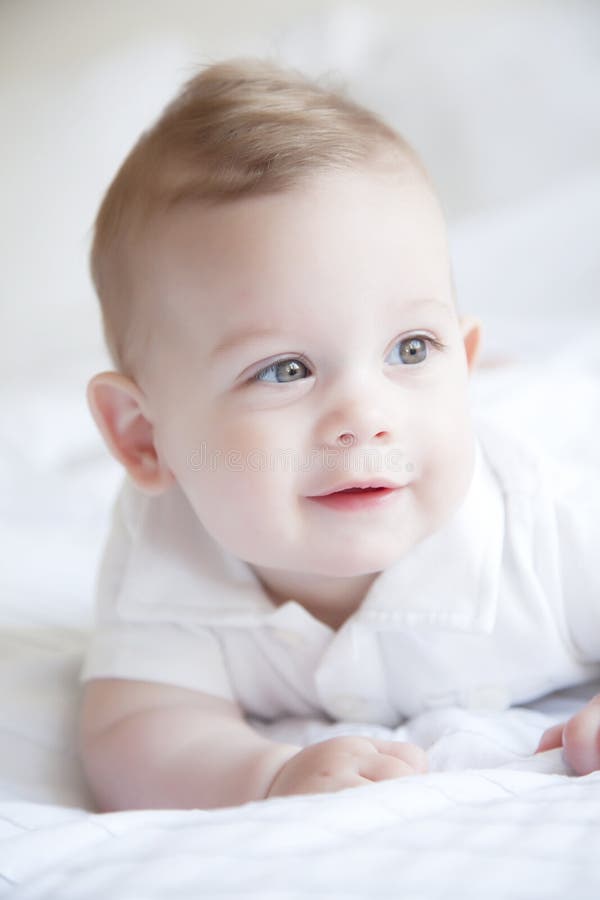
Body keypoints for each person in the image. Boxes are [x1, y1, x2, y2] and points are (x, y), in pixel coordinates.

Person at [78, 58, 600, 812]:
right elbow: (137, 727)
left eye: (411, 349)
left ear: (463, 365)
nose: (364, 412)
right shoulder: (165, 550)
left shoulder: (544, 529)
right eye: (285, 369)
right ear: (143, 440)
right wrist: (261, 775)